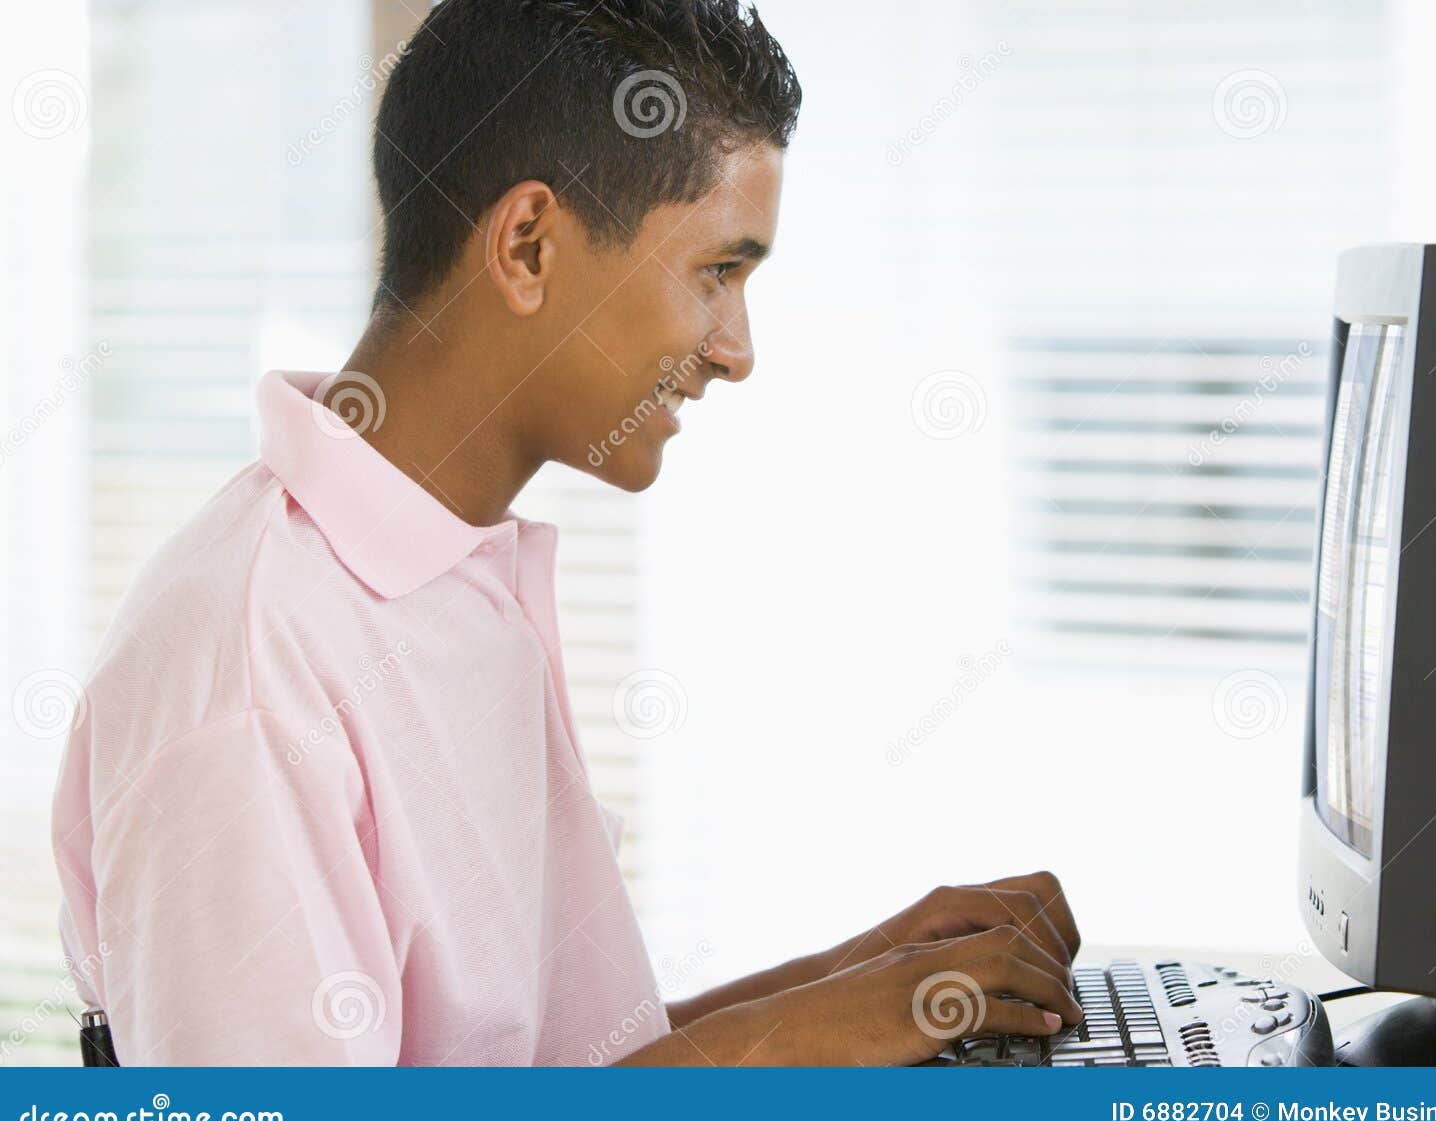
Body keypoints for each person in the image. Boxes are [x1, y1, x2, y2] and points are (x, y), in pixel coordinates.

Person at [51, 0, 1082, 1066]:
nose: (737, 350)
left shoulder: (455, 574)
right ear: (529, 244)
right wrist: (793, 1043)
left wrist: (864, 977)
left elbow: (541, 1072)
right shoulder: (250, 666)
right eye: (717, 271)